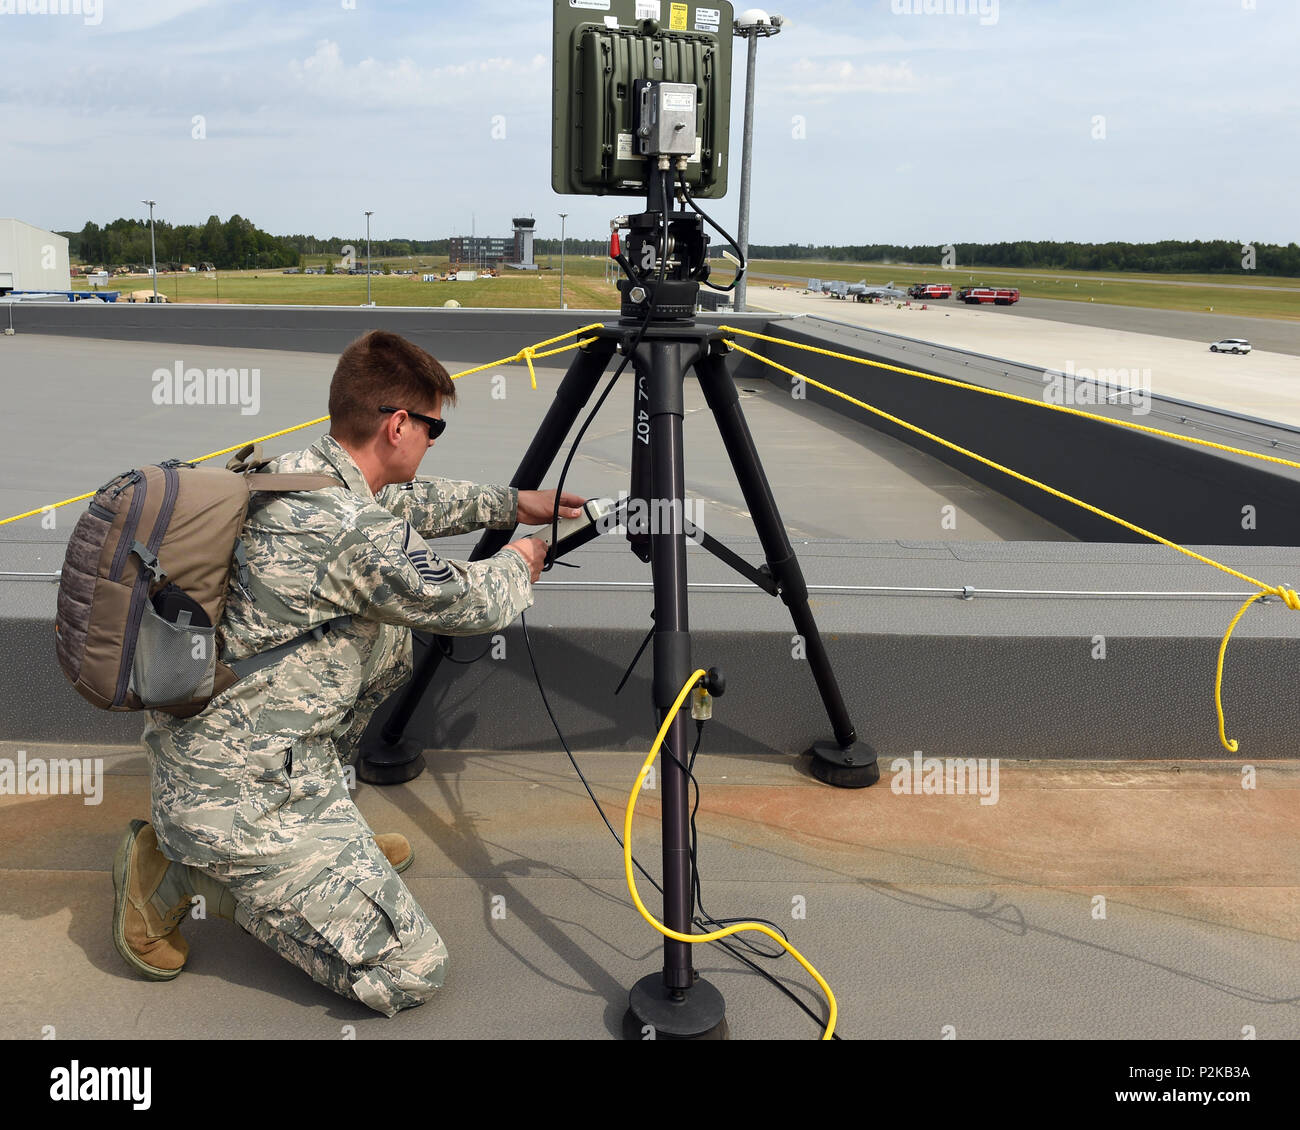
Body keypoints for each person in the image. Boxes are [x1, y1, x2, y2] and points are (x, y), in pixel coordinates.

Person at [112, 329, 584, 1016]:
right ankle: (191, 872)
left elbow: (416, 504)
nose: (431, 442)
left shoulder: (304, 471)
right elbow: (473, 601)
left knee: (381, 638)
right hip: (239, 800)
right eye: (433, 429)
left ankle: (323, 834)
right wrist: (525, 554)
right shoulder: (344, 530)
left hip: (249, 755)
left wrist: (517, 503)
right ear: (398, 425)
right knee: (412, 971)